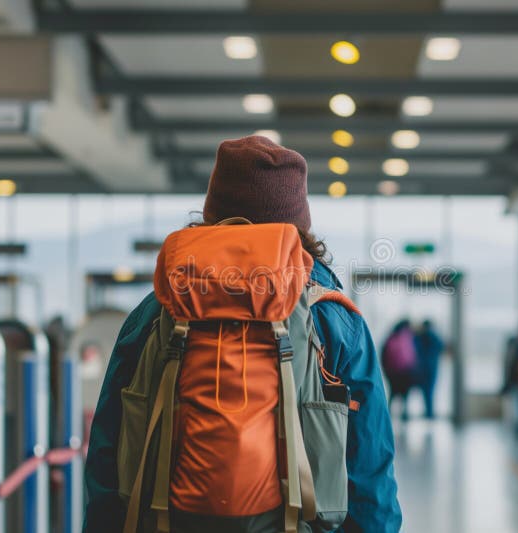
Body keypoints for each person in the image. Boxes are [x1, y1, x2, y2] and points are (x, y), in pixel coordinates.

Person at [83, 135, 402, 533]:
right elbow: (369, 469)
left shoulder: (158, 309)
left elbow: (107, 452)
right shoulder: (333, 317)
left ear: (211, 216)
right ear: (300, 229)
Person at [381, 319, 418, 420]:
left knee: (394, 396)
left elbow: (384, 356)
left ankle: (389, 416)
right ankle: (402, 416)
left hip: (395, 373)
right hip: (402, 373)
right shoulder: (407, 338)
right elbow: (411, 356)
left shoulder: (392, 338)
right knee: (403, 397)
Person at [414, 319, 444, 419]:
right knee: (430, 391)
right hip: (432, 367)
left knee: (426, 391)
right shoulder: (434, 336)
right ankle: (429, 413)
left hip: (422, 367)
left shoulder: (419, 337)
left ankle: (428, 412)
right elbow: (442, 347)